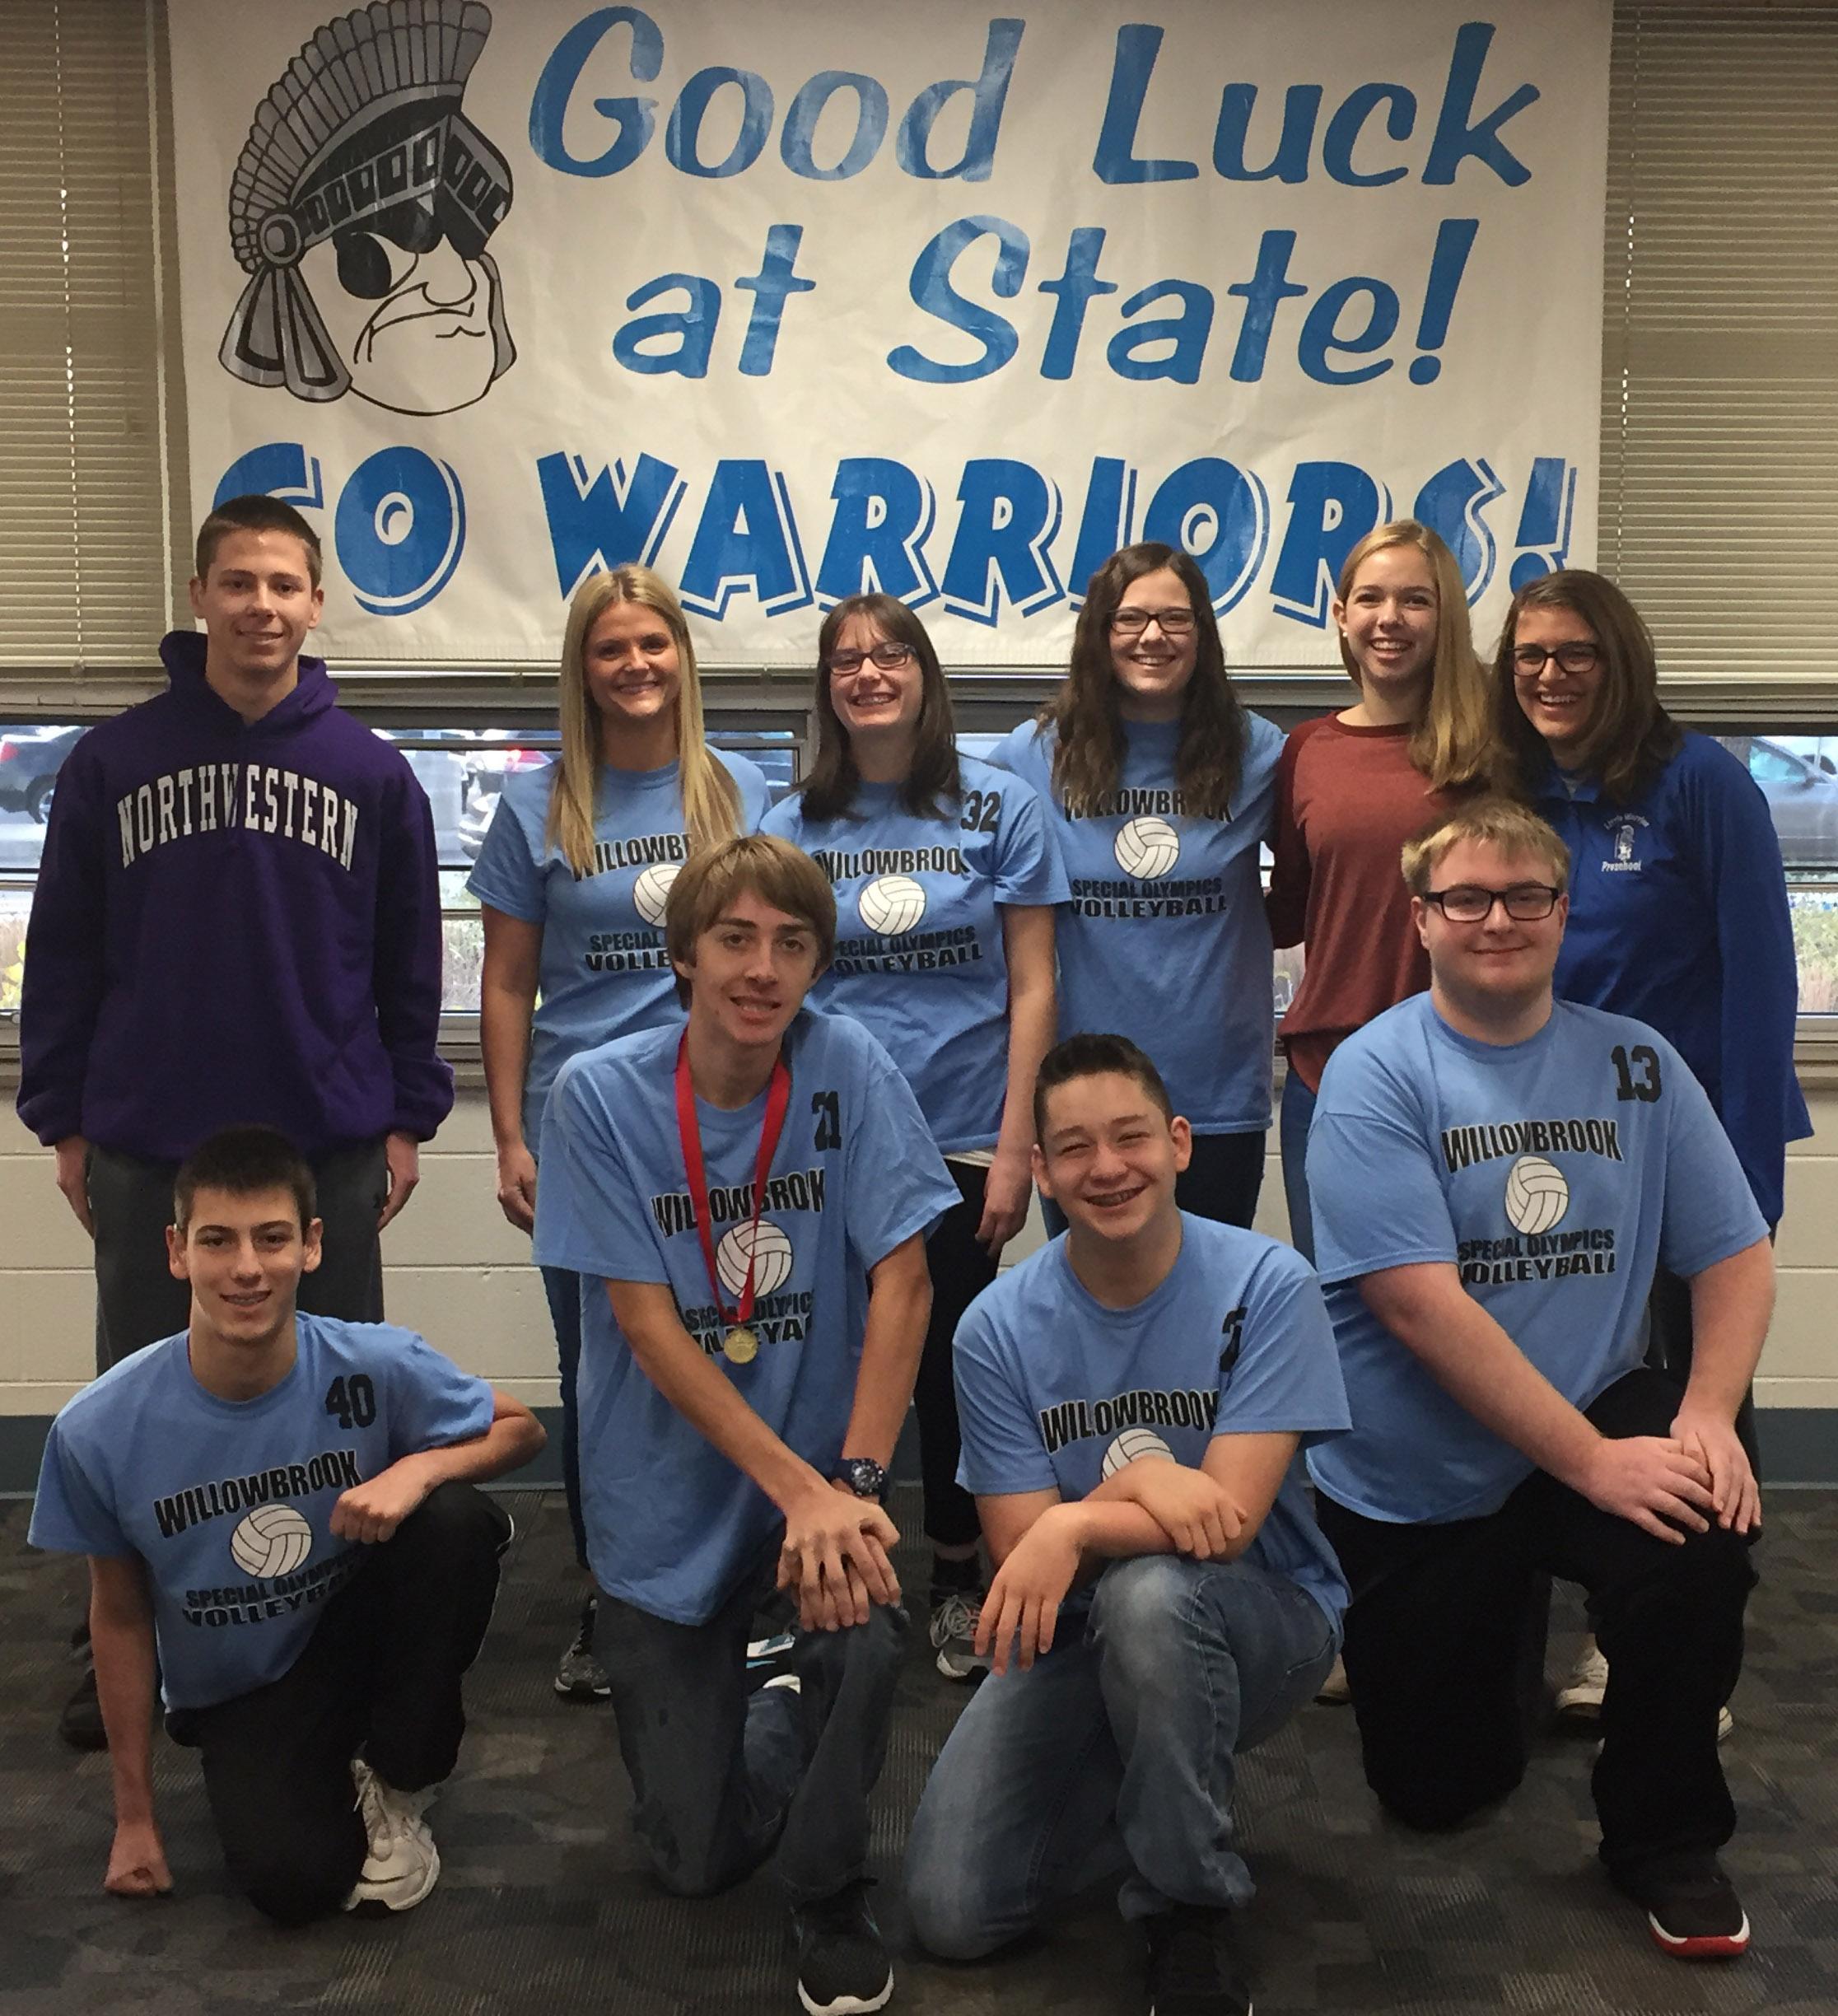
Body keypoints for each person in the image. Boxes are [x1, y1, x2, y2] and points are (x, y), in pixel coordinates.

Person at [16, 493, 452, 1749]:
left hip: (326, 1138)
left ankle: (337, 1636)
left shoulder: (372, 773)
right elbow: (64, 952)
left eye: (284, 585)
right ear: (201, 595)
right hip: (152, 1137)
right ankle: (131, 1646)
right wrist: (62, 1119)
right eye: (240, 582)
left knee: (340, 1404)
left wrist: (408, 1117)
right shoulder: (111, 764)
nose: (262, 605)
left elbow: (409, 962)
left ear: (317, 605)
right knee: (145, 1408)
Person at [1306, 799, 1770, 1961]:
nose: (1497, 920)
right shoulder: (1374, 1072)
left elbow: (1735, 1252)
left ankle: (1667, 1837)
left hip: (1590, 1399)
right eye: (1466, 897)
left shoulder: (1636, 1062)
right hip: (1422, 1462)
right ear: (1422, 918)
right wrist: (1590, 1464)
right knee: (1441, 1792)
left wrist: (1709, 1413)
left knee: (1701, 1525)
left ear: (1565, 912)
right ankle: (1502, 1626)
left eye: (1526, 896)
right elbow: (1419, 1307)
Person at [534, 834, 959, 2016]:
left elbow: (906, 1281)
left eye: (792, 944)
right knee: (693, 1859)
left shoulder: (847, 1064)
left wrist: (852, 1486)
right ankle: (772, 1704)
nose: (762, 969)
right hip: (665, 1490)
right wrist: (800, 1487)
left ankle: (829, 1886)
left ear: (818, 964)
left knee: (863, 1630)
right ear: (683, 954)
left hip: (820, 1484)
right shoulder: (599, 1095)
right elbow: (646, 1325)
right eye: (735, 940)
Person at [904, 1034, 1349, 2016]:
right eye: (1074, 1148)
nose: (1107, 1168)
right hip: (1075, 1635)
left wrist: (1078, 1525)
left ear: (1179, 1143)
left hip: (1264, 1621)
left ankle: (1187, 1910)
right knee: (952, 1911)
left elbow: (1226, 1525)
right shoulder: (995, 1329)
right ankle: (1157, 1782)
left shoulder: (1268, 1286)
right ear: (1041, 1171)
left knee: (1150, 1597)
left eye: (1131, 1137)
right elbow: (1022, 1548)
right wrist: (1143, 1486)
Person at [27, 1126, 543, 1925]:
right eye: (217, 1241)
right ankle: (322, 1765)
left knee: (451, 1520)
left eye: (271, 1239)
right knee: (295, 1886)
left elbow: (520, 1429)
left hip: (354, 1628)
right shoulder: (100, 1429)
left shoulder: (372, 1363)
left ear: (311, 1246)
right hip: (243, 1686)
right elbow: (120, 1618)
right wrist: (134, 1820)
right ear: (177, 1251)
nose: (246, 1268)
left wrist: (414, 1470)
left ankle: (402, 1775)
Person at [1490, 567, 1808, 1722]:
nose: (1550, 675)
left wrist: (1750, 1187)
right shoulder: (1514, 787)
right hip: (1555, 1148)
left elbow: (1763, 983)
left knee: (1696, 1391)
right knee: (1566, 1387)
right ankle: (1545, 1633)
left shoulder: (1700, 781)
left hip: (1688, 1149)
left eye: (1575, 654)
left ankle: (1680, 1658)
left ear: (1620, 661)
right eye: (1530, 656)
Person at [469, 564, 769, 1703]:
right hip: (583, 1127)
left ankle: (739, 1581)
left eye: (654, 644)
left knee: (736, 1339)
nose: (636, 665)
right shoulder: (536, 807)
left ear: (682, 657)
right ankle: (614, 1596)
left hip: (722, 1121)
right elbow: (508, 984)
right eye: (611, 649)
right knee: (600, 1370)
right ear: (582, 670)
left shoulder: (740, 790)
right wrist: (510, 1134)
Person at [763, 594, 1065, 1681]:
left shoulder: (1000, 806)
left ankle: (954, 1572)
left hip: (964, 1134)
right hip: (824, 1140)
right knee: (822, 1358)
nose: (869, 673)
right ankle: (829, 1561)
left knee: (950, 1364)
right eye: (846, 659)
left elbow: (1035, 986)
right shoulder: (790, 820)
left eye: (891, 654)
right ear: (826, 686)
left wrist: (1018, 1146)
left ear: (925, 675)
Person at [989, 542, 1284, 1230]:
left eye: (1176, 619)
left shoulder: (1258, 752)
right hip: (1082, 1098)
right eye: (1131, 619)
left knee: (1212, 1289)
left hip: (1216, 1098)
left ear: (1202, 634)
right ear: (1100, 632)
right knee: (1091, 1292)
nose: (1154, 636)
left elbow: (1319, 879)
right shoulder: (1033, 756)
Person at [1267, 519, 1490, 1262]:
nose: (1389, 618)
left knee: (1469, 1304)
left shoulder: (1492, 747)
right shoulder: (1307, 750)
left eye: (1415, 601)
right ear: (1341, 614)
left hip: (1469, 1075)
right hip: (1329, 1074)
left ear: (1446, 616)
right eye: (1370, 598)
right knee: (1340, 1304)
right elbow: (1288, 913)